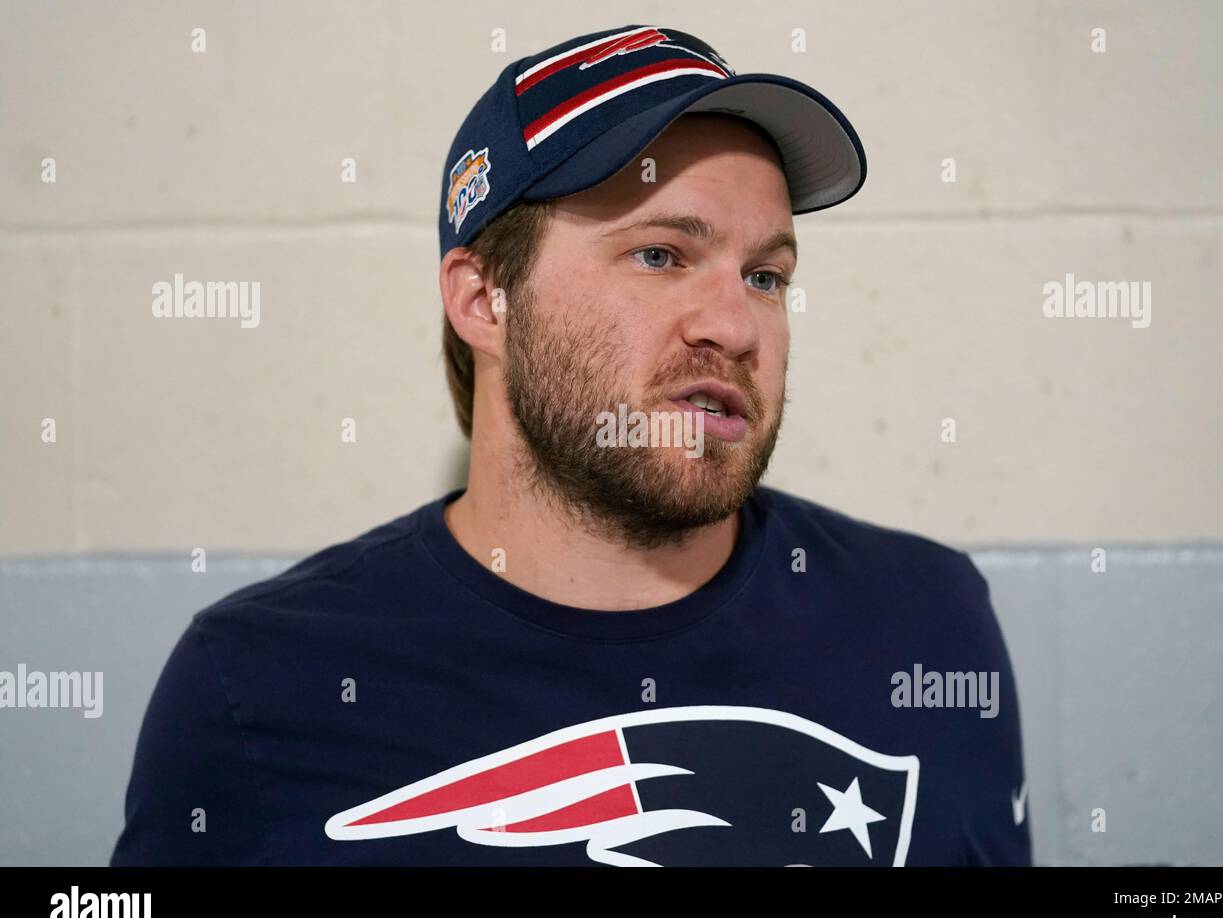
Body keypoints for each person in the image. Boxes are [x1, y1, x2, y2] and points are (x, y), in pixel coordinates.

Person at [111, 24, 1031, 866]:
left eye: (764, 274)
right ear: (483, 299)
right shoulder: (264, 687)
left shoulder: (926, 622)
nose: (736, 325)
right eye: (661, 255)